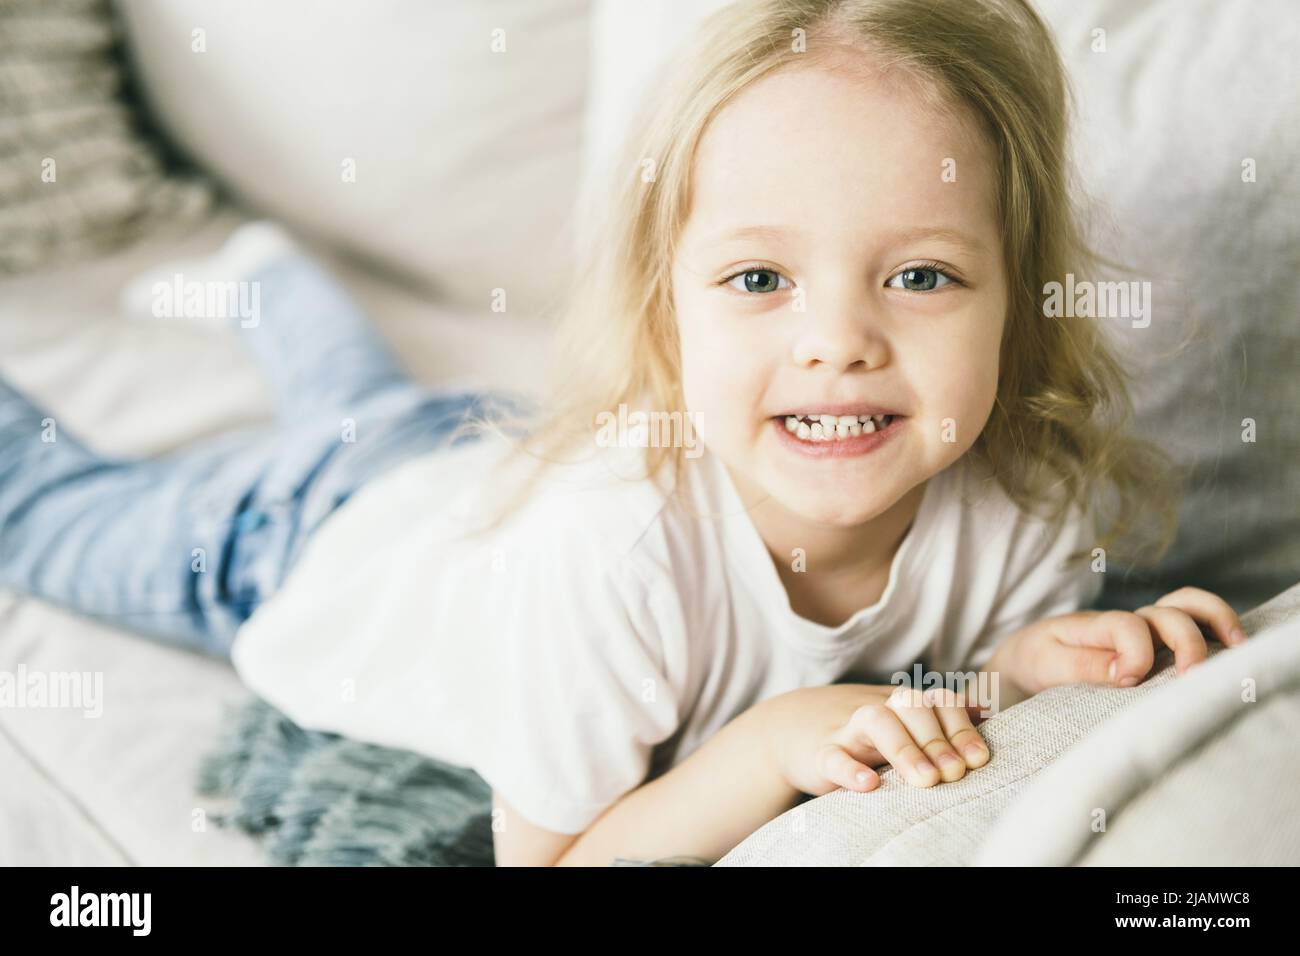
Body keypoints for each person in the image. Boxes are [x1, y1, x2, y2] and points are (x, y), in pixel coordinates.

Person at [0, 0, 1247, 867]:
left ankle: (273, 281)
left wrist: (1024, 668)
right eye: (760, 280)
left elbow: (937, 695)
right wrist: (768, 745)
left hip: (452, 462)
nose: (838, 341)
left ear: (1015, 306)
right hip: (311, 538)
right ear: (669, 313)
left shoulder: (1025, 506)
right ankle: (273, 295)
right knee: (43, 513)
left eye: (919, 278)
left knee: (372, 408)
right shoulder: (617, 552)